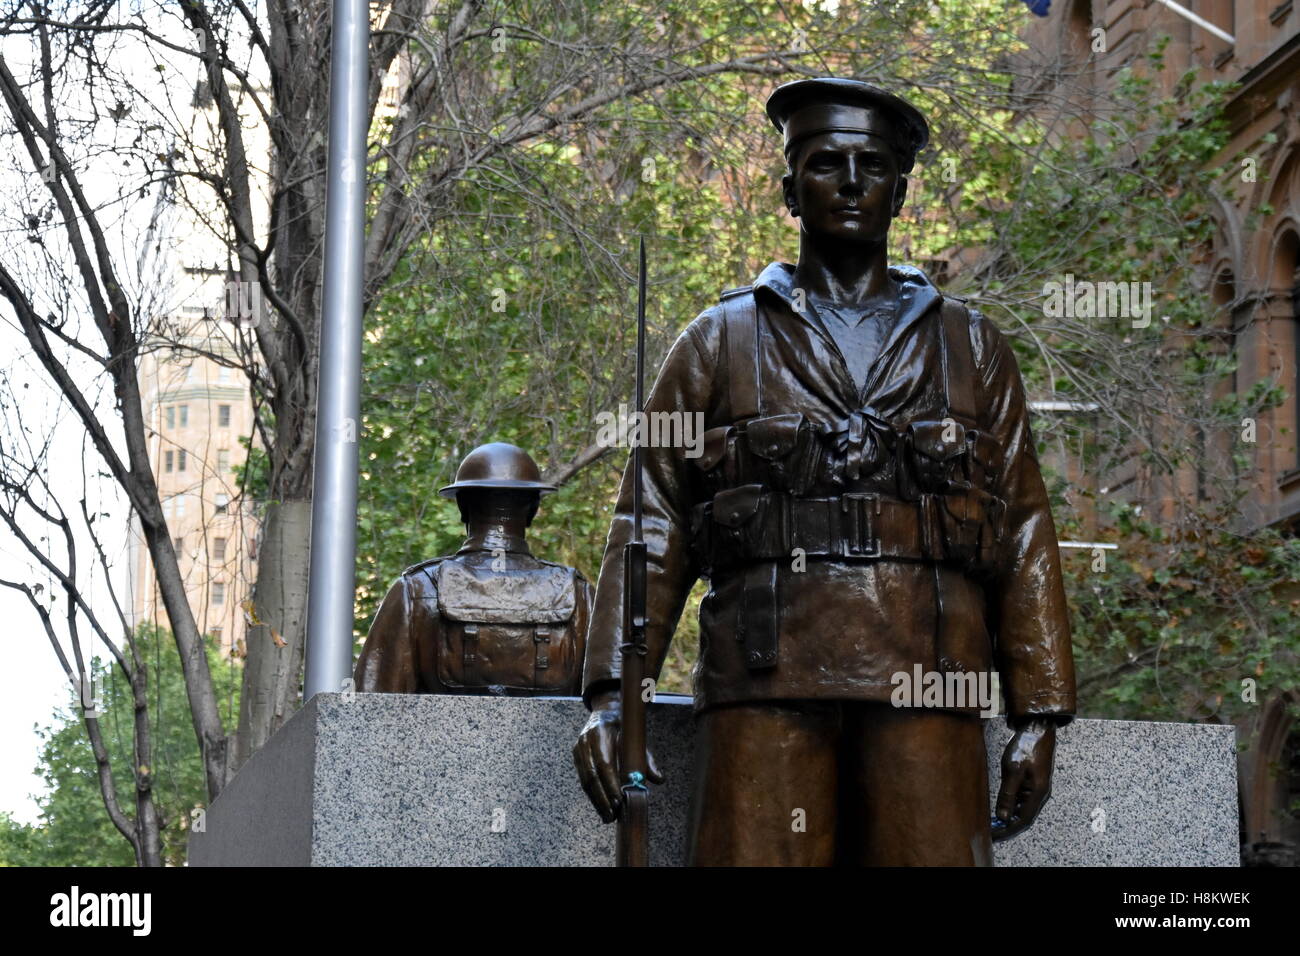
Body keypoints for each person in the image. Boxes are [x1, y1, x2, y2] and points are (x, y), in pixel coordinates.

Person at [572, 77, 1077, 865]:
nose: (849, 183)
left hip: (929, 682)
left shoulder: (970, 347)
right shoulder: (717, 340)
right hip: (765, 682)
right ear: (787, 188)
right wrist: (611, 695)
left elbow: (1022, 528)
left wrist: (1039, 714)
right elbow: (650, 518)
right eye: (825, 162)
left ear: (901, 191)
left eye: (872, 166)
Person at [356, 442, 591, 697]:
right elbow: (610, 702)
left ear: (461, 508)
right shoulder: (579, 593)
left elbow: (370, 705)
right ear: (534, 510)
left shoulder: (415, 589)